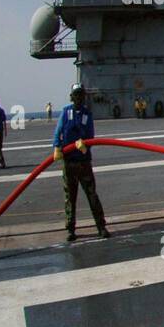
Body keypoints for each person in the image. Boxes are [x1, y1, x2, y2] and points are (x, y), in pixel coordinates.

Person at [52, 84, 109, 241]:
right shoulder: (66, 112)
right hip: (69, 161)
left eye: (81, 95)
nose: (79, 98)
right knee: (70, 197)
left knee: (92, 195)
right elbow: (58, 131)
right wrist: (57, 147)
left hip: (83, 161)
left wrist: (85, 144)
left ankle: (101, 226)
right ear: (72, 96)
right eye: (76, 95)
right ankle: (71, 229)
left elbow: (91, 134)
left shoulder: (87, 114)